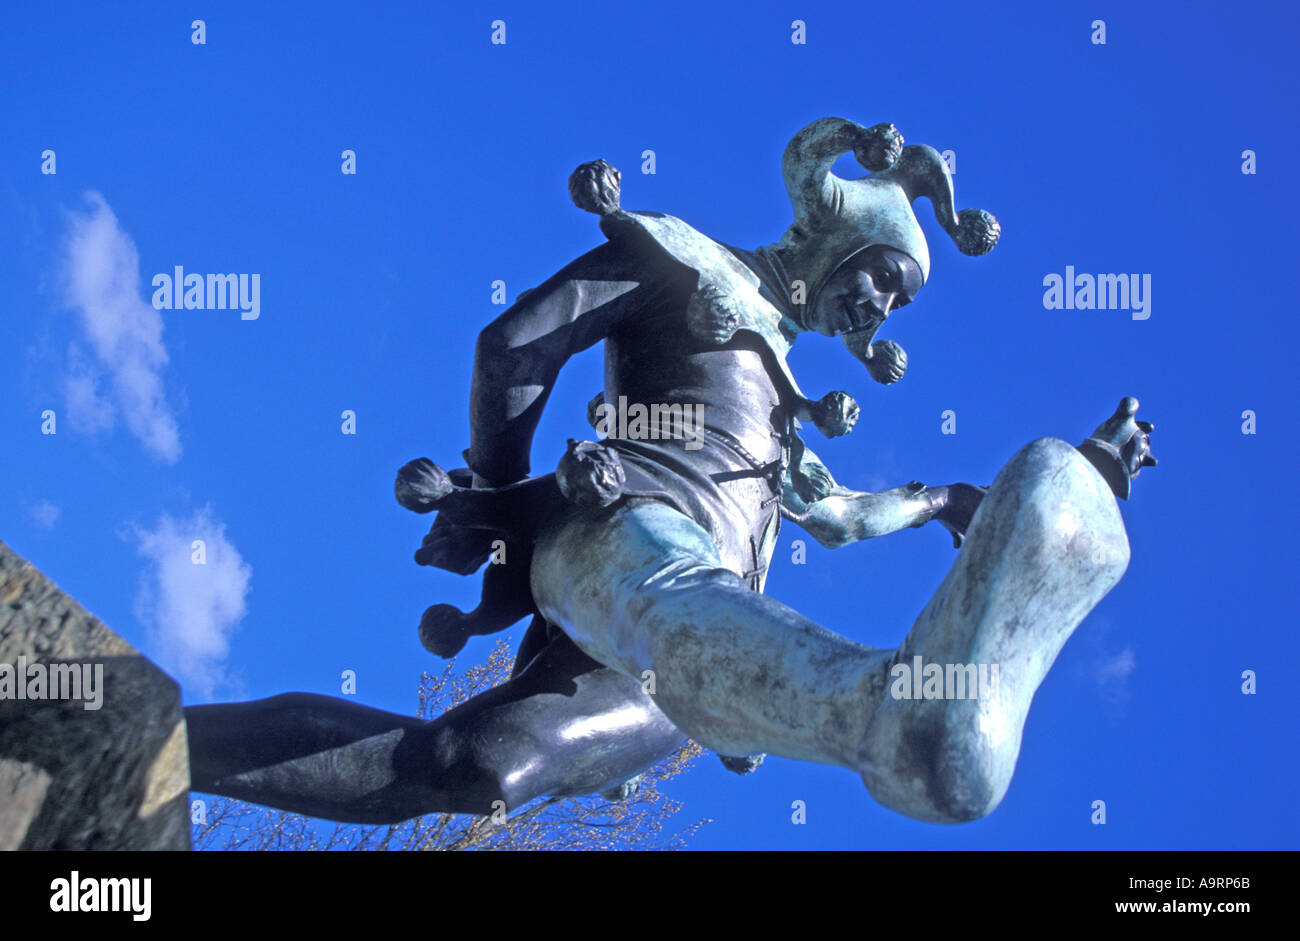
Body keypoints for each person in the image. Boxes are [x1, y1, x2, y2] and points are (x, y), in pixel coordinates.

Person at [186, 118, 1155, 825]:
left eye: (892, 303)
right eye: (880, 279)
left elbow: (836, 519)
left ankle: (167, 743)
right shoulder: (683, 264)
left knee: (475, 765)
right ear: (835, 234)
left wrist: (949, 501)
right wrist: (501, 508)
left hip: (690, 619)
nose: (877, 309)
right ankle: (887, 717)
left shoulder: (782, 410)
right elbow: (513, 346)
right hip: (628, 526)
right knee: (712, 612)